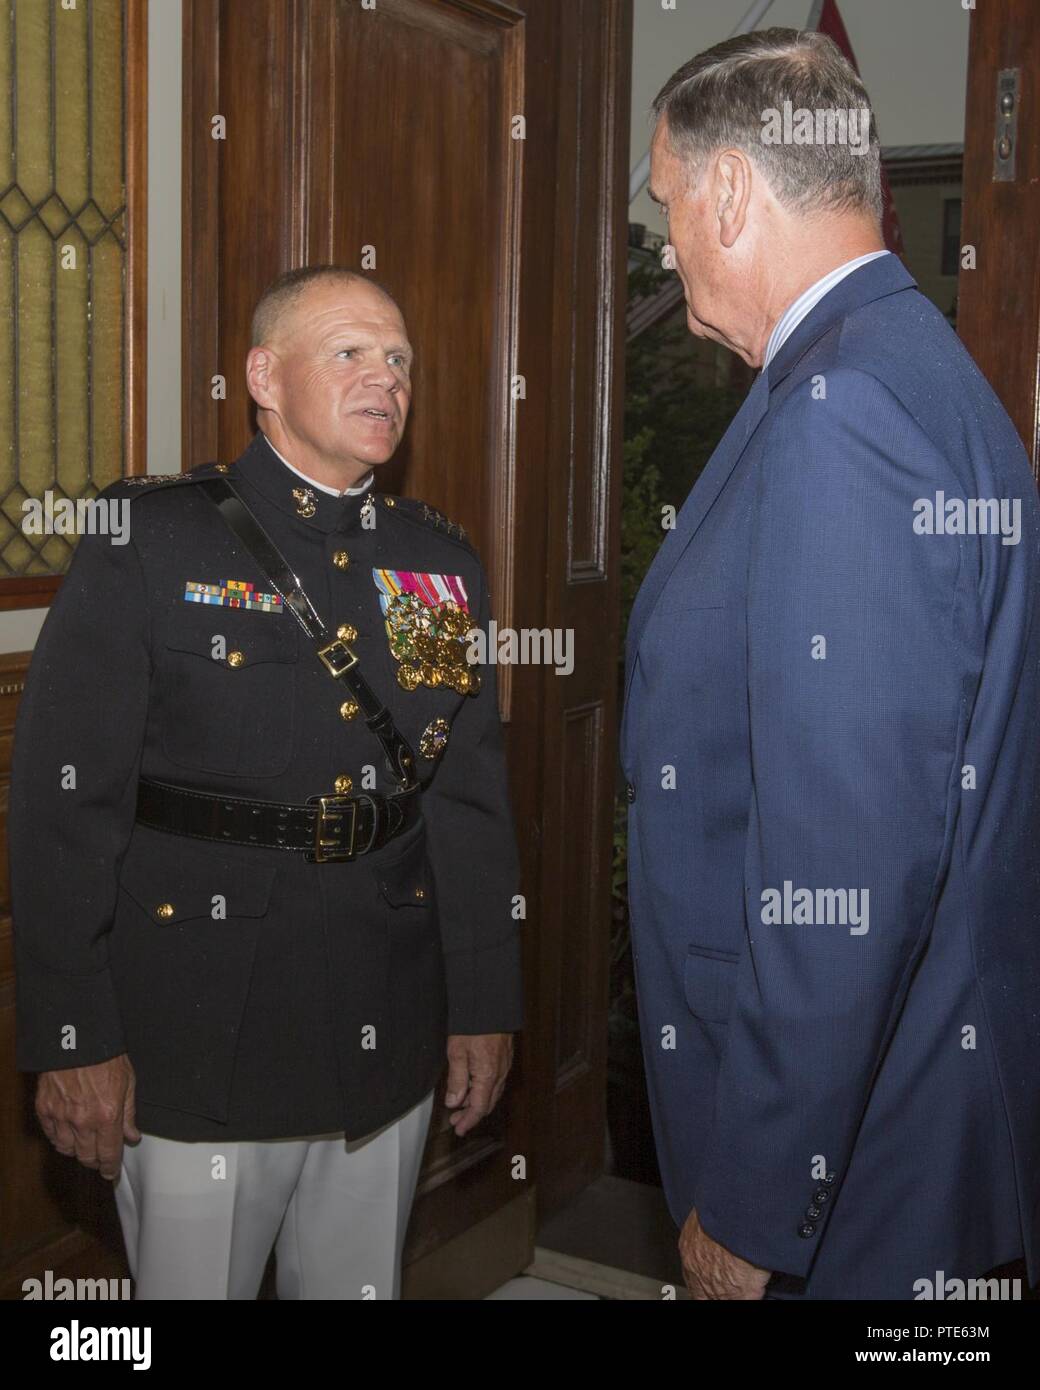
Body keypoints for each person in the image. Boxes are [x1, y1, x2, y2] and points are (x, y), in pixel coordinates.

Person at [622, 29, 1040, 1300]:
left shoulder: (844, 411)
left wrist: (757, 1201)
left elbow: (847, 866)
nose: (664, 241)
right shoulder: (904, 365)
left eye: (667, 202)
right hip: (911, 1126)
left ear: (733, 192)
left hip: (860, 1173)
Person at [11, 266, 524, 1300]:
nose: (385, 376)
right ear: (263, 375)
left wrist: (482, 999)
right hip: (196, 1036)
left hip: (381, 1031)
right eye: (350, 352)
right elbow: (65, 803)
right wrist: (73, 1032)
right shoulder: (152, 538)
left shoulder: (429, 567)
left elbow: (460, 802)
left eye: (398, 362)